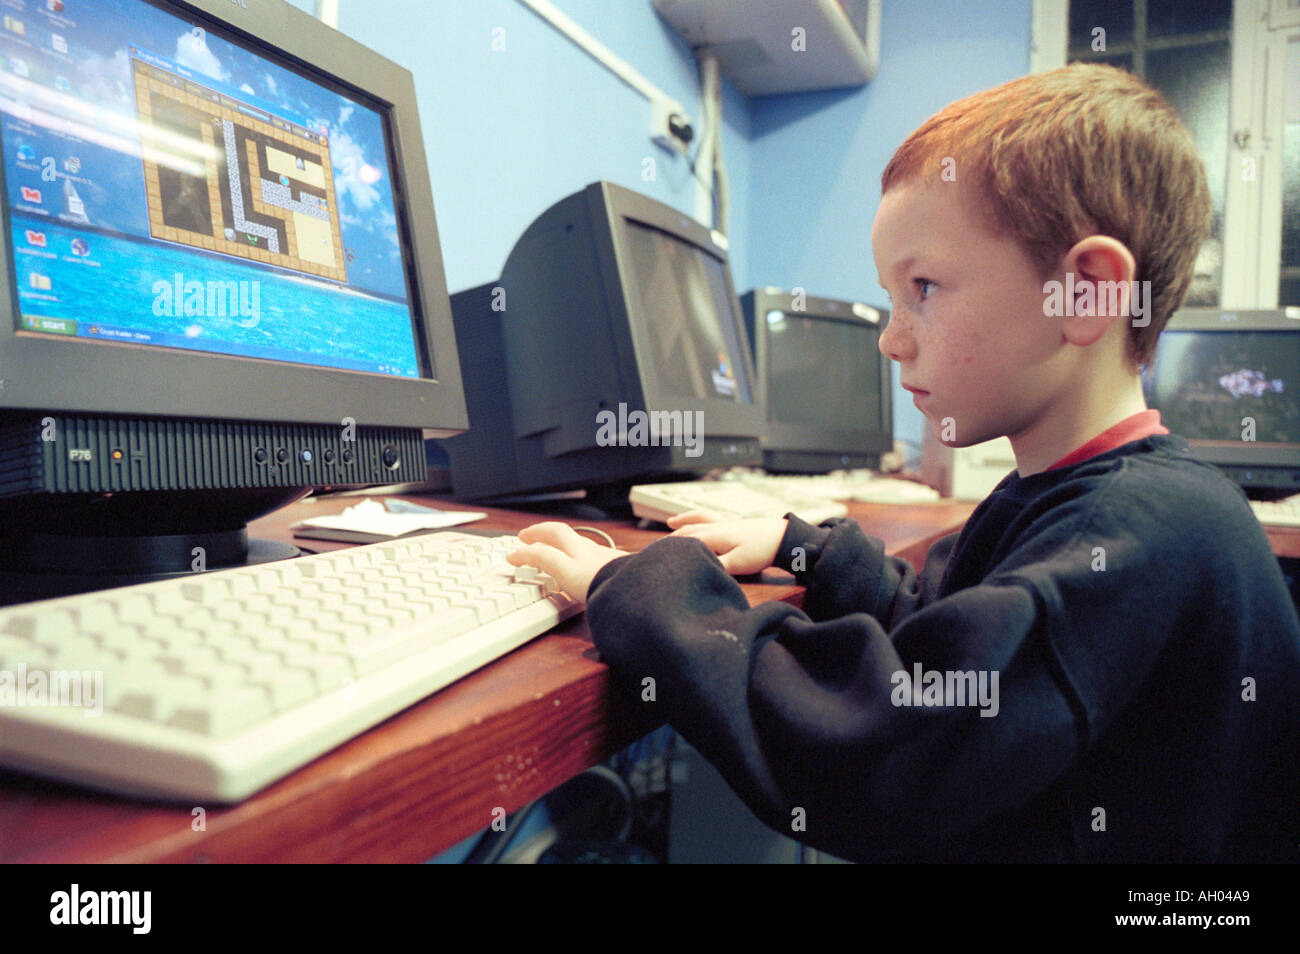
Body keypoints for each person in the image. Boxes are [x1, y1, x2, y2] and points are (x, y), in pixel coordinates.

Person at [507, 63, 1300, 862]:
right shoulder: (1074, 491)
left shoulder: (1137, 536)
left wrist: (638, 589)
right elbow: (945, 622)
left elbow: (869, 754)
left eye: (924, 286)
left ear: (1087, 293)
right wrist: (803, 546)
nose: (891, 338)